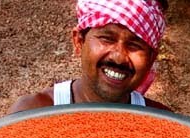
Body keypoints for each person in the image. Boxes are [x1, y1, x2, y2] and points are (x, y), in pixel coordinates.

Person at [9, 0, 171, 113]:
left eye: (134, 45)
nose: (119, 57)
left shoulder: (163, 126)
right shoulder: (33, 114)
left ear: (151, 58)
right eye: (107, 39)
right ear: (79, 41)